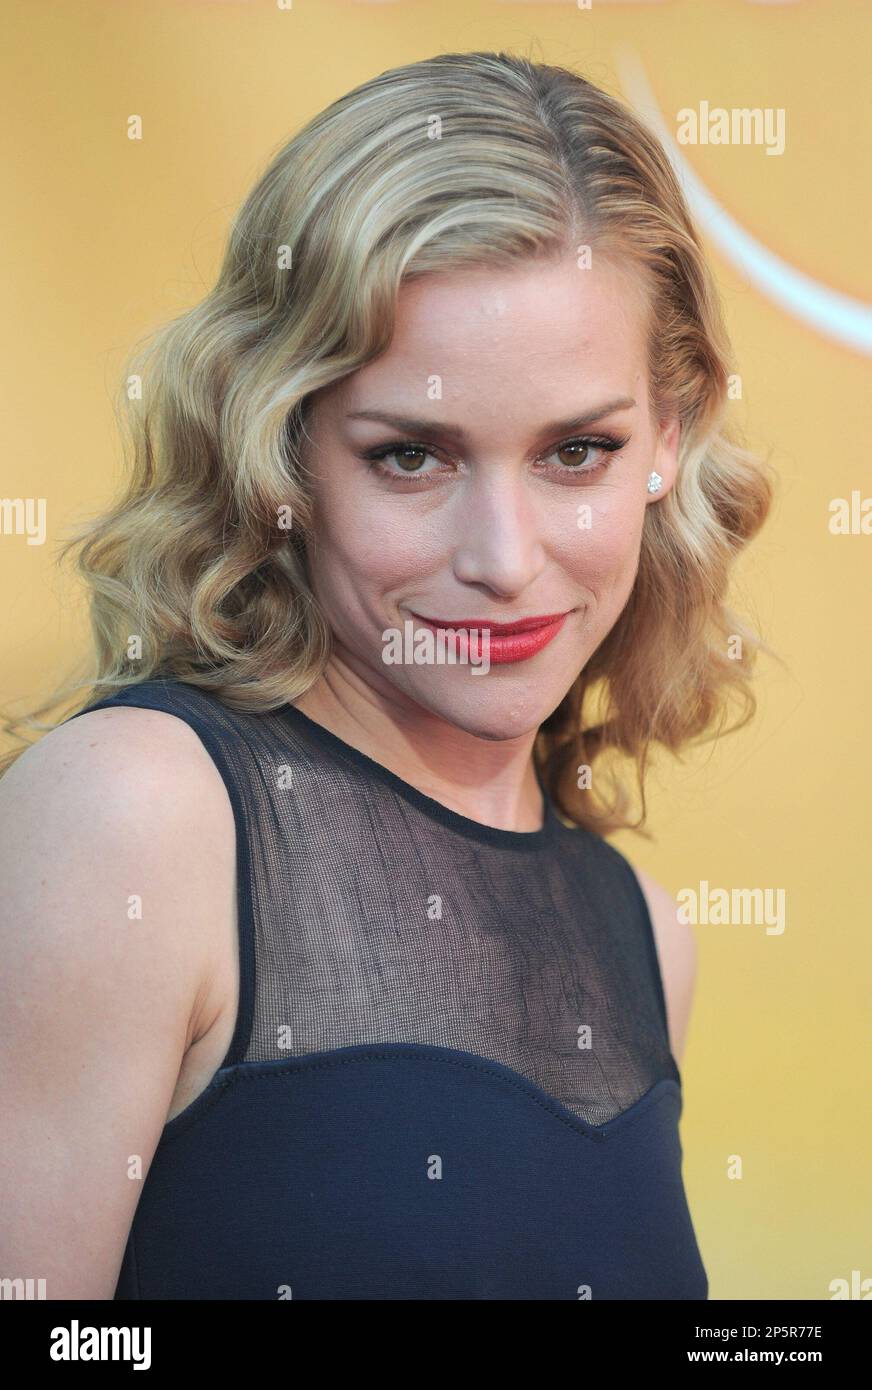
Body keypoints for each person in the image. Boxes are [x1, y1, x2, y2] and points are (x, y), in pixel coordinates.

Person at [0, 50, 774, 1300]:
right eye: (412, 456)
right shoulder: (135, 818)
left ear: (667, 441)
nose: (503, 560)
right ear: (280, 447)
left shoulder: (640, 930)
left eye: (576, 449)